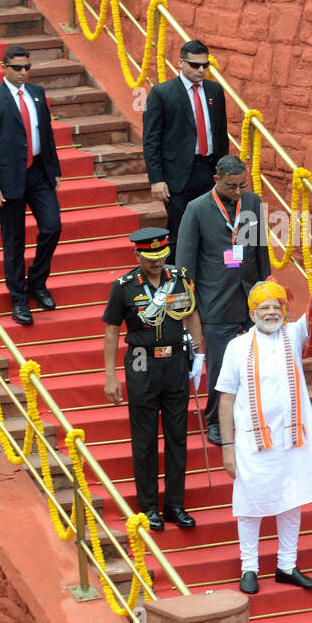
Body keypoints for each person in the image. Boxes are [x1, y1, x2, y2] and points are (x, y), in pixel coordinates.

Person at [217, 252, 312, 594]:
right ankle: (249, 567)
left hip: (292, 439)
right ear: (252, 314)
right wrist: (227, 447)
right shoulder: (237, 347)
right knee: (251, 504)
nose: (271, 313)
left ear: (284, 311)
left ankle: (286, 564)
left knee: (291, 498)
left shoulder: (293, 336)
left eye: (276, 307)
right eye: (263, 308)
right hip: (251, 442)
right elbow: (225, 398)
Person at [103, 228, 205, 532]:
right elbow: (111, 331)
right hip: (141, 361)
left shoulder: (180, 278)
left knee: (177, 435)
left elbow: (193, 314)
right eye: (151, 259)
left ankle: (175, 505)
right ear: (138, 256)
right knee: (145, 438)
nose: (158, 263)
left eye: (162, 257)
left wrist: (198, 355)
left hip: (175, 361)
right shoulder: (123, 286)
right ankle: (148, 506)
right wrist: (110, 376)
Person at [175, 155, 271, 448]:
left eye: (243, 185)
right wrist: (186, 309)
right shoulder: (197, 209)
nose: (238, 192)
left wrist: (267, 287)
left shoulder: (252, 202)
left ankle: (250, 416)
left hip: (251, 299)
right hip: (215, 301)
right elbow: (185, 263)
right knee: (220, 366)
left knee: (256, 362)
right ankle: (216, 420)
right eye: (232, 187)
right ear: (216, 180)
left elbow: (258, 247)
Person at [0, 45, 62, 326]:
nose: (23, 72)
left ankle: (36, 281)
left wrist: (54, 170)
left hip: (38, 172)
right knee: (14, 241)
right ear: (4, 67)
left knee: (52, 226)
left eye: (27, 67)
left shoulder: (37, 93)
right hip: (7, 179)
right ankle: (18, 297)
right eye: (17, 68)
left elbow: (46, 134)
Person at [142, 39, 230, 259]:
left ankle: (211, 276)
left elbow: (221, 133)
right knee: (180, 231)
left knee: (215, 228)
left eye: (205, 65)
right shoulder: (162, 93)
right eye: (195, 65)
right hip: (177, 176)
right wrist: (156, 179)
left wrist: (225, 172)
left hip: (210, 170)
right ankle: (177, 280)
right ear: (180, 62)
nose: (201, 70)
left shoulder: (215, 91)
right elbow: (151, 139)